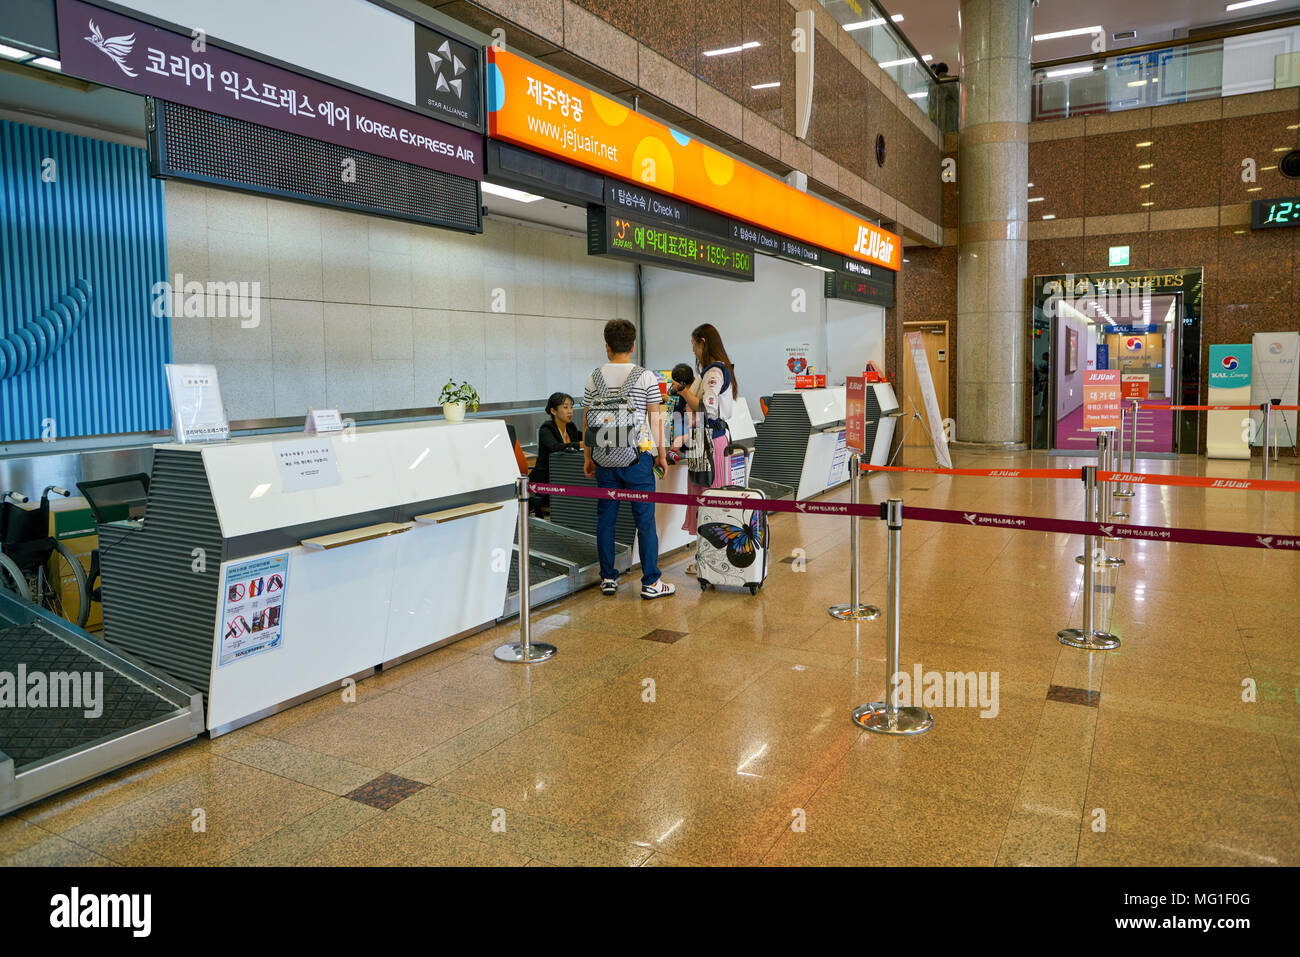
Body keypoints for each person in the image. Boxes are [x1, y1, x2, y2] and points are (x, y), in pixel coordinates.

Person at [582, 319, 675, 600]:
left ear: (607, 346)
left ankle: (608, 578)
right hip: (638, 460)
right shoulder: (646, 377)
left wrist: (589, 457)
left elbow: (587, 422)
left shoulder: (593, 377)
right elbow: (655, 419)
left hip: (604, 459)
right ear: (632, 346)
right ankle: (650, 582)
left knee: (606, 520)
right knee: (645, 520)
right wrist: (661, 454)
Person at [679, 323, 737, 574]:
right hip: (708, 441)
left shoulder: (714, 372)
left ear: (702, 342)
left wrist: (682, 392)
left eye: (693, 344)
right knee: (707, 497)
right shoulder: (716, 370)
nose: (693, 350)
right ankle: (708, 556)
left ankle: (710, 559)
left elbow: (706, 408)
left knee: (708, 498)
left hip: (707, 441)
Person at [529, 392, 581, 515]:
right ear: (553, 411)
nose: (570, 411)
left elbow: (583, 438)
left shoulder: (570, 427)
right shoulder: (546, 429)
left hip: (564, 476)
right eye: (565, 407)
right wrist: (579, 444)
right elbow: (555, 447)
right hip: (546, 479)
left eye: (571, 407)